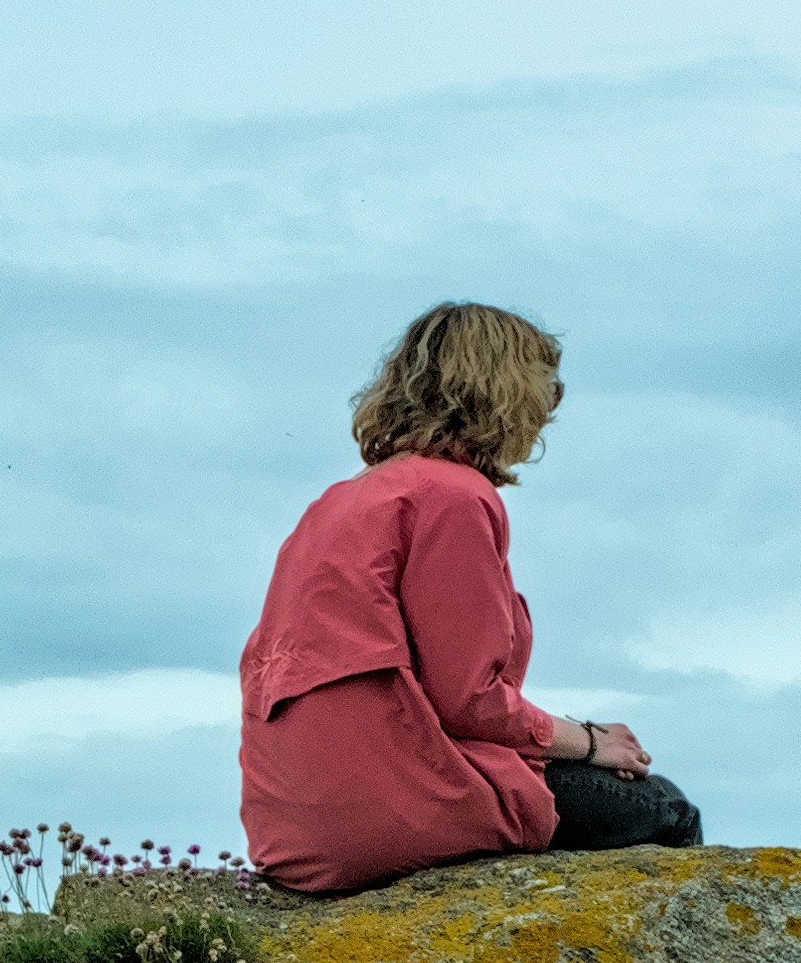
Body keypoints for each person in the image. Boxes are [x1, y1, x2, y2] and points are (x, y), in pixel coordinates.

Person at [236, 302, 705, 896]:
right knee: (664, 809)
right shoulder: (454, 498)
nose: (549, 408)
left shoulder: (340, 502)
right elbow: (468, 700)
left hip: (301, 833)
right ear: (503, 391)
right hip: (397, 811)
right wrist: (589, 742)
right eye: (543, 387)